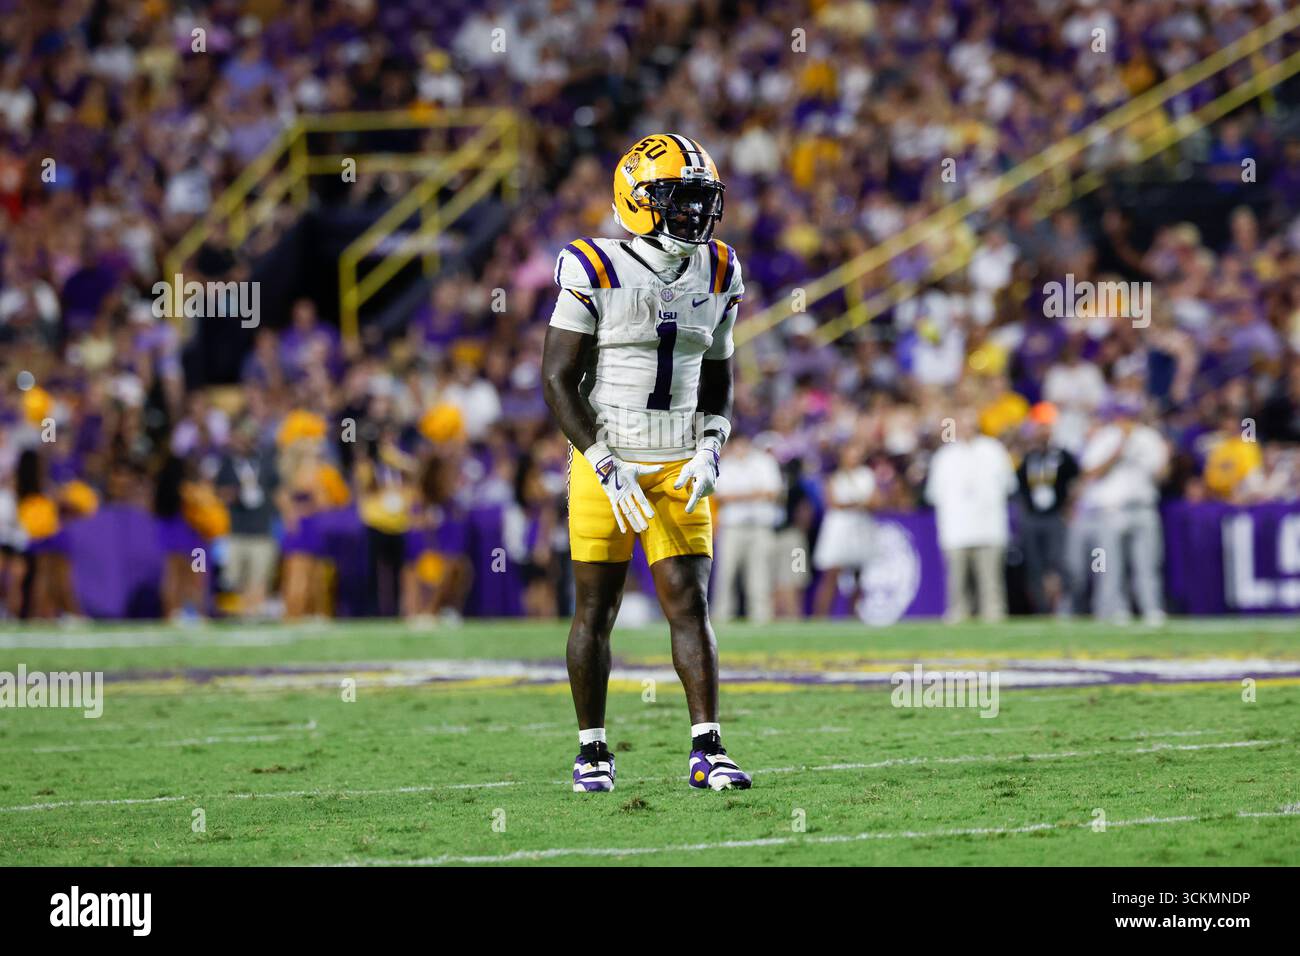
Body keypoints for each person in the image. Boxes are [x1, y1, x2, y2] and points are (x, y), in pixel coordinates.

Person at [542, 133, 751, 793]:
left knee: (691, 604)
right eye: (678, 199)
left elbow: (718, 376)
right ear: (636, 199)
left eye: (700, 200)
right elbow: (556, 380)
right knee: (594, 611)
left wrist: (713, 443)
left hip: (678, 458)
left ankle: (707, 747)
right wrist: (602, 460)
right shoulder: (592, 265)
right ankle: (592, 750)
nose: (692, 213)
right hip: (608, 456)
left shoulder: (719, 269)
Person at [1077, 398, 1169, 625]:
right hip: (1111, 510)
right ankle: (1115, 610)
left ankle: (1151, 609)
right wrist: (1116, 453)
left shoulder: (1149, 438)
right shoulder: (1104, 437)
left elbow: (1162, 475)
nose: (1125, 421)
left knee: (1147, 563)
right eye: (1122, 415)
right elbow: (1090, 473)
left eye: (1130, 416)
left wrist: (1165, 457)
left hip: (1143, 506)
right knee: (1109, 565)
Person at [925, 409, 1017, 622]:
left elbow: (1008, 485)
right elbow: (935, 494)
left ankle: (994, 615)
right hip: (956, 527)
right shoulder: (945, 456)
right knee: (957, 581)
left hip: (989, 525)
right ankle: (958, 615)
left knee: (991, 580)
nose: (967, 429)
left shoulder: (993, 450)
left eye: (970, 424)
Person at [1014, 402, 1079, 614]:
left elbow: (1077, 482)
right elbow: (1020, 487)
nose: (1043, 431)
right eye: (1039, 426)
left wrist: (1070, 508)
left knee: (1058, 563)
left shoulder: (1062, 456)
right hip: (1032, 518)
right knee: (1035, 566)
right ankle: (1042, 609)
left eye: (1046, 426)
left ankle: (1064, 608)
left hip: (1055, 516)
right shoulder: (1028, 457)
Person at [711, 432, 782, 624]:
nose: (741, 448)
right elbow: (721, 497)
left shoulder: (764, 462)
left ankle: (761, 618)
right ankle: (722, 617)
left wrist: (738, 496)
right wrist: (754, 494)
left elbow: (772, 492)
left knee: (760, 575)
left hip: (760, 526)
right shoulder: (724, 465)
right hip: (732, 527)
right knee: (726, 574)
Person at [812, 441, 879, 617]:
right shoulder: (835, 477)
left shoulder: (866, 475)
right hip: (839, 529)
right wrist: (858, 503)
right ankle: (821, 616)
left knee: (859, 575)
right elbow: (833, 503)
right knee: (832, 574)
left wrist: (852, 504)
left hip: (860, 528)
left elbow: (875, 501)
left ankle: (854, 614)